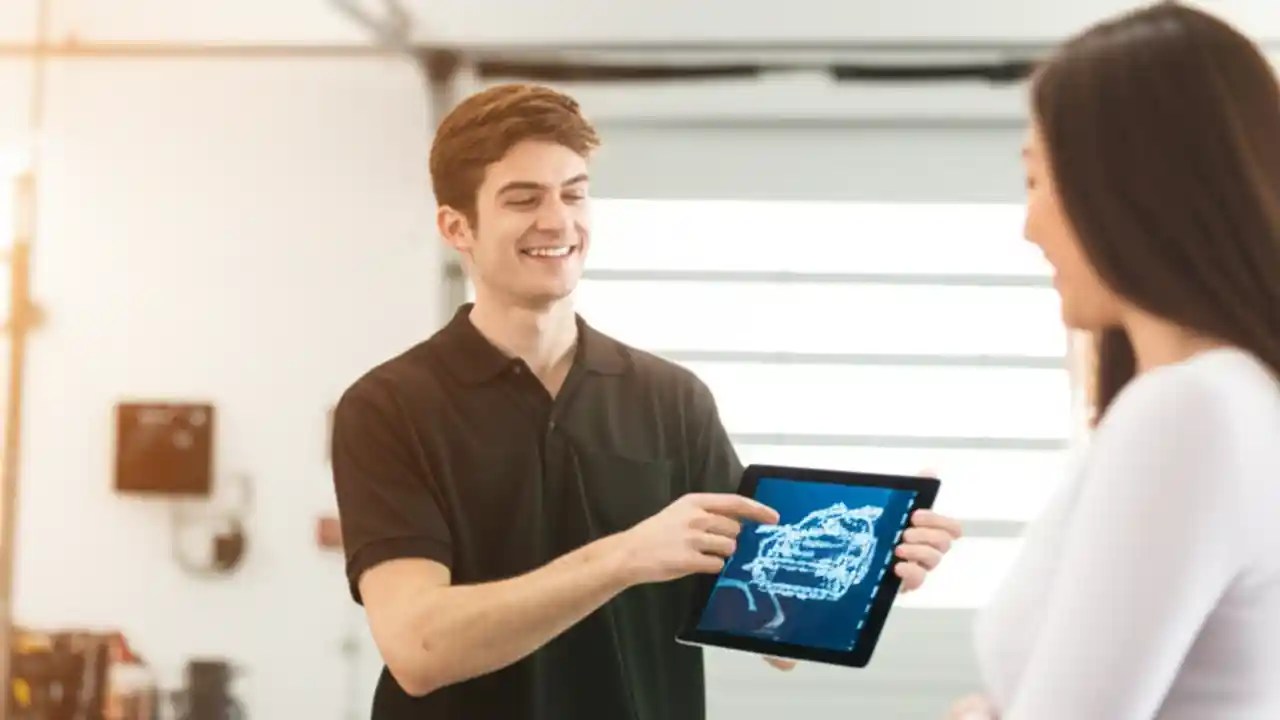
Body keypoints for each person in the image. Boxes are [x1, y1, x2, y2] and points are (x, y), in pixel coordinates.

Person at [330, 83, 964, 719]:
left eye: (574, 193)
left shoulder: (670, 399)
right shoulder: (388, 408)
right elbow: (419, 649)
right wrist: (624, 556)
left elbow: (776, 634)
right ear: (456, 226)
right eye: (524, 199)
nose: (558, 221)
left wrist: (870, 569)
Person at [954, 3, 1280, 718]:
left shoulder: (1187, 411)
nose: (1028, 225)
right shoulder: (1243, 397)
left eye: (1037, 179)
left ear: (1125, 185)